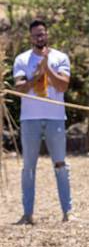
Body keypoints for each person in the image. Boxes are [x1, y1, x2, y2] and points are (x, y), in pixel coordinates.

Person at [12, 19, 73, 224]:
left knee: (60, 165)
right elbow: (19, 88)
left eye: (43, 34)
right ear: (31, 37)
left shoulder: (60, 57)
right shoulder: (22, 59)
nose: (40, 37)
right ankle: (27, 214)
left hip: (55, 117)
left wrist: (47, 68)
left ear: (47, 34)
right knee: (28, 167)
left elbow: (63, 86)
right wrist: (37, 74)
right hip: (30, 119)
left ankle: (68, 212)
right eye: (36, 34)